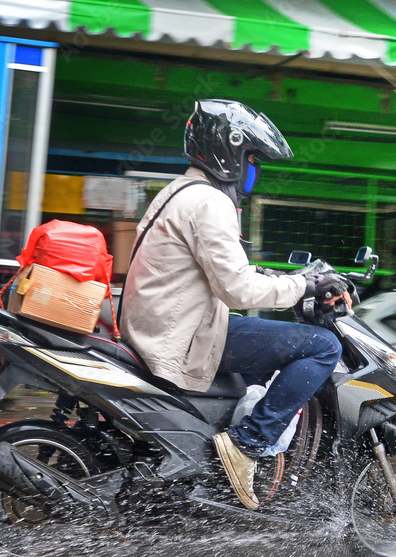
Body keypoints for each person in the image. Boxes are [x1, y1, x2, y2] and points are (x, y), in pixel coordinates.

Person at [120, 99, 350, 510]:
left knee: (262, 362)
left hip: (166, 325)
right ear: (229, 152)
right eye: (252, 158)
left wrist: (285, 279)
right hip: (181, 337)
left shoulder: (180, 191)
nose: (253, 169)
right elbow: (238, 291)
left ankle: (211, 465)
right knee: (322, 347)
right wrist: (306, 286)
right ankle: (247, 445)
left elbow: (222, 269)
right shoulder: (210, 203)